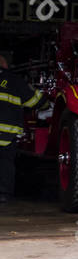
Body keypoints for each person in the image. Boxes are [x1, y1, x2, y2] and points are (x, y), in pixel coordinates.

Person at [0, 54, 42, 203]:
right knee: (5, 163)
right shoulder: (15, 80)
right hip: (7, 133)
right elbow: (35, 101)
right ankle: (3, 194)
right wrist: (46, 104)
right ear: (4, 64)